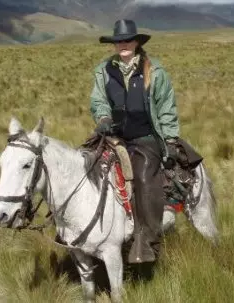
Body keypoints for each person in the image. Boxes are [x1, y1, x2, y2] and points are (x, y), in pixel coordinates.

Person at [90, 19, 181, 264]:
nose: (123, 44)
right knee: (85, 162)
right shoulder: (103, 71)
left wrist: (170, 139)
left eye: (128, 40)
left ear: (137, 42)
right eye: (119, 41)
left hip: (144, 136)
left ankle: (146, 242)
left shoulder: (155, 71)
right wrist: (103, 117)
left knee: (142, 178)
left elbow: (166, 107)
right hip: (114, 135)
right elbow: (98, 100)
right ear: (114, 44)